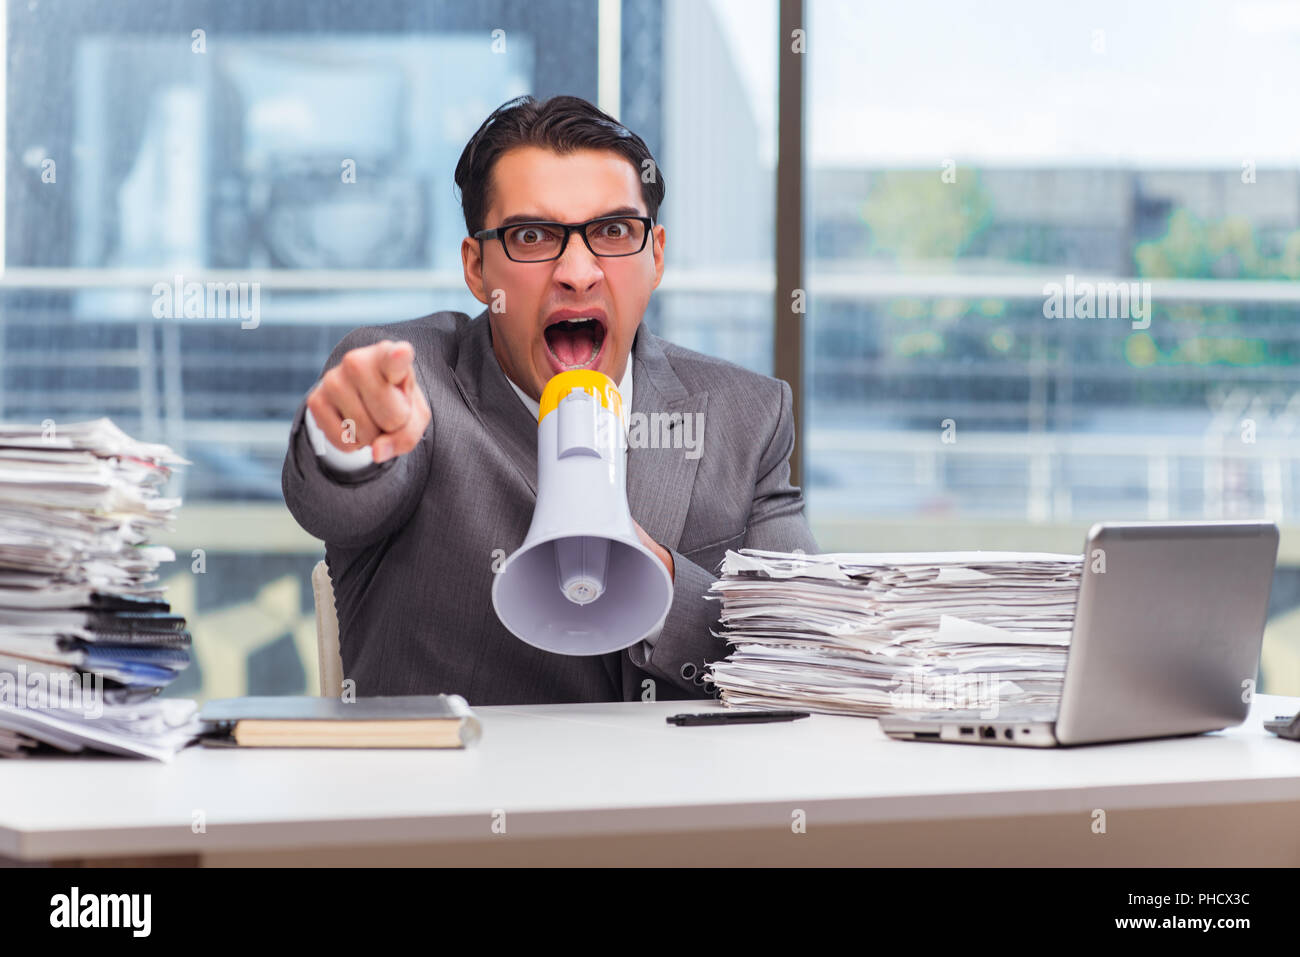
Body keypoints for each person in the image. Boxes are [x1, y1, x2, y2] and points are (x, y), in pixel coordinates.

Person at [282, 94, 818, 704]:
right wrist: (347, 444)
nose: (578, 272)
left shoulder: (744, 417)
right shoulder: (413, 381)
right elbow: (336, 499)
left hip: (680, 795)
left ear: (656, 256)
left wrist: (661, 582)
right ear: (477, 267)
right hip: (454, 794)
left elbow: (804, 650)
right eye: (532, 236)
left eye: (614, 231)